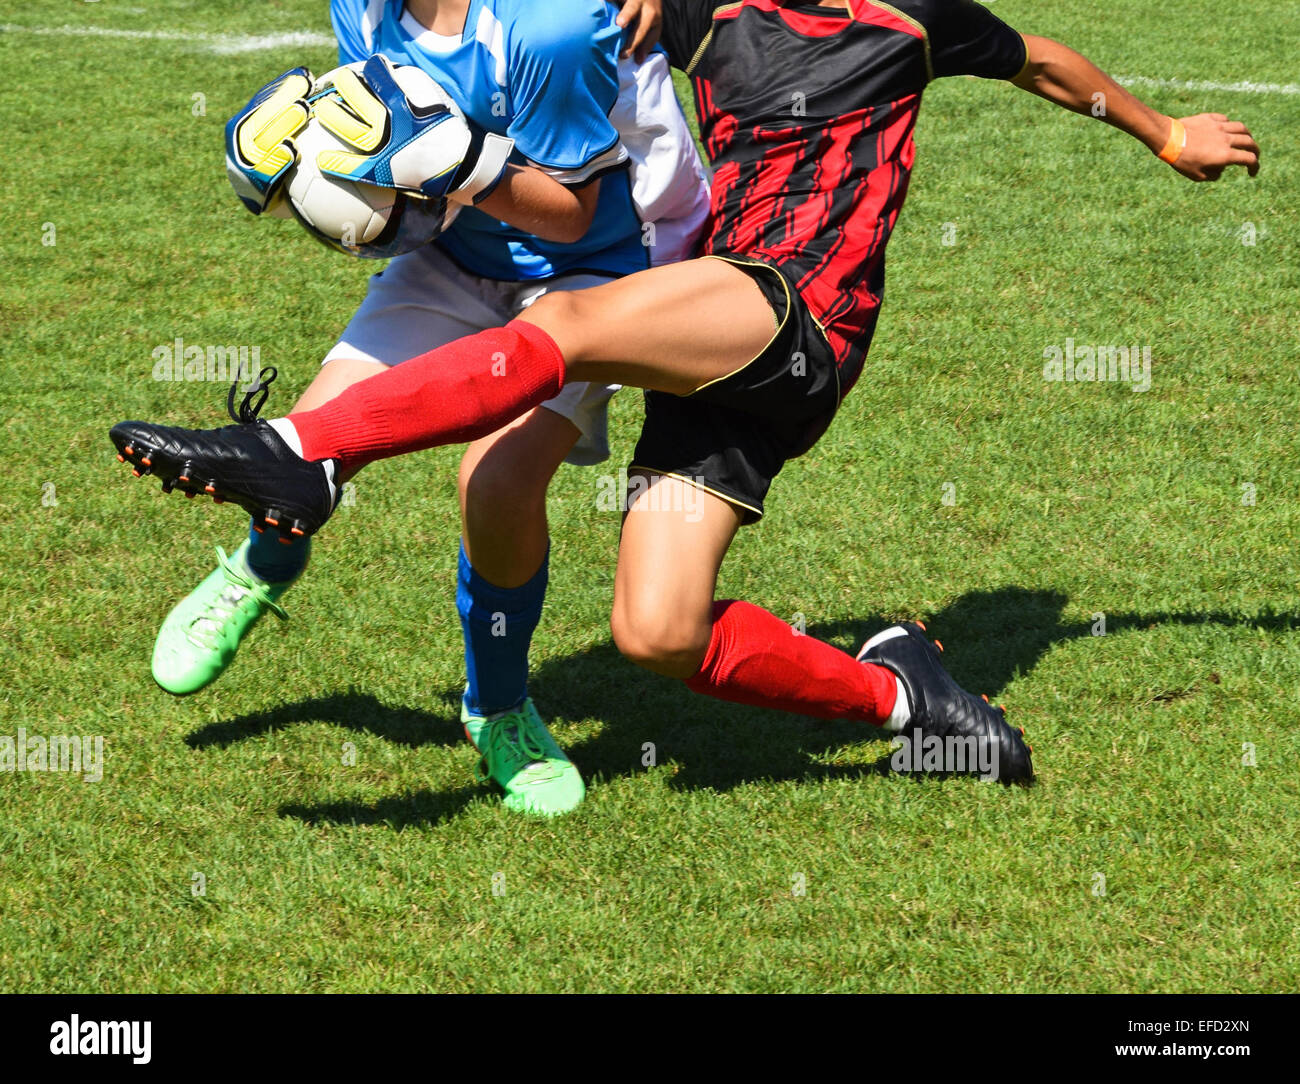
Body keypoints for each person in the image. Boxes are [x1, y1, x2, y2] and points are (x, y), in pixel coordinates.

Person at [112, 0, 1262, 785]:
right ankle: (907, 698)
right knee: (654, 633)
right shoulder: (708, 12)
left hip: (796, 311)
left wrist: (1164, 134)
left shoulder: (907, 20)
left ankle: (304, 454)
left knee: (560, 333)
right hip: (712, 333)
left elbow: (1036, 57)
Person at [150, 0, 709, 816]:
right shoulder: (363, 5)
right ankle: (263, 566)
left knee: (497, 481)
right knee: (304, 445)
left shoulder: (548, 23)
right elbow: (391, 186)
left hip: (596, 270)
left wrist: (462, 167)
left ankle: (499, 706)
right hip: (451, 262)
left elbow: (574, 212)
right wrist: (310, 173)